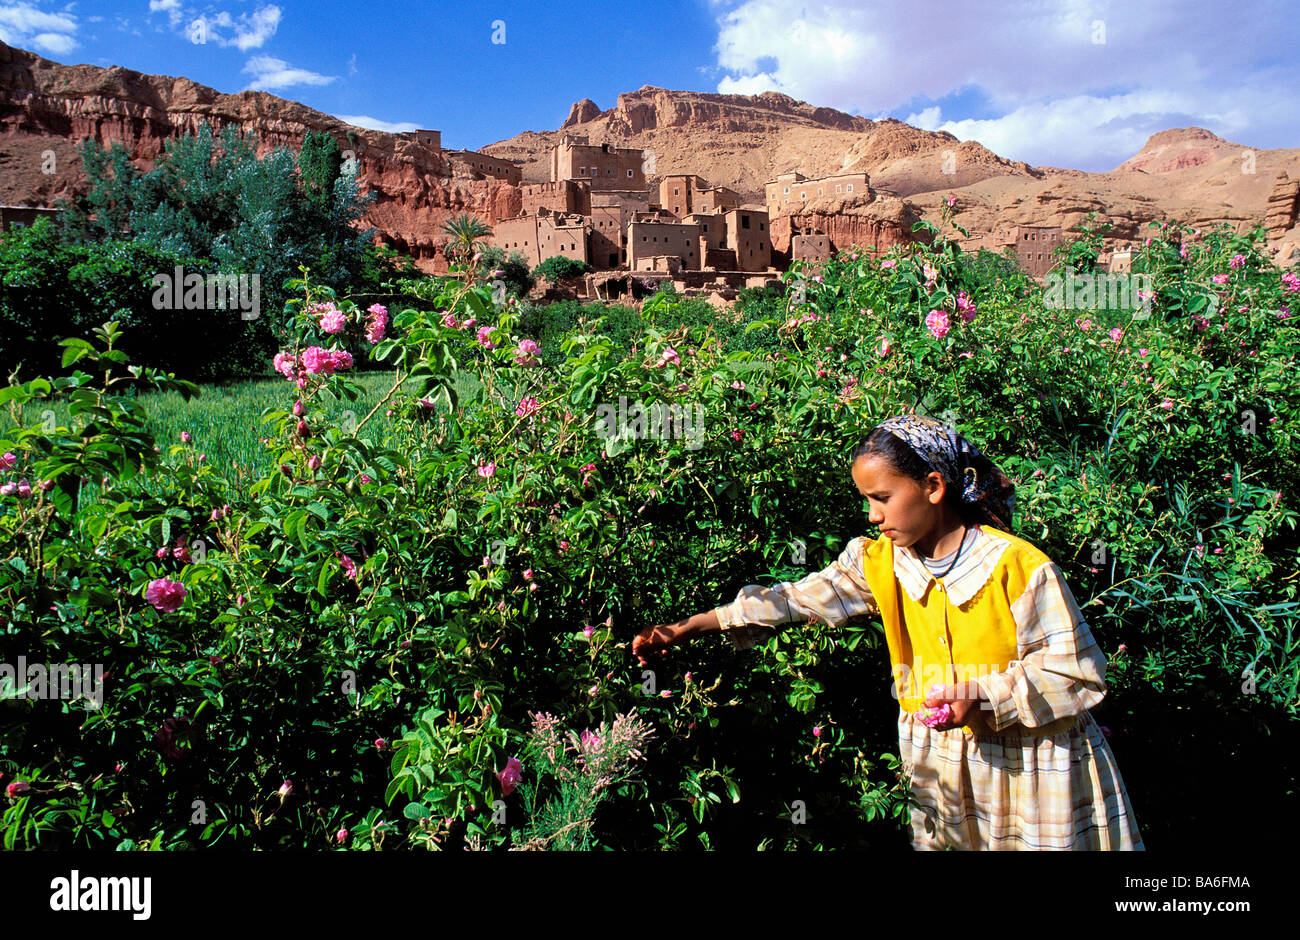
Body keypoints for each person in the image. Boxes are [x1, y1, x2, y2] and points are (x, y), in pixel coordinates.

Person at [631, 413, 1145, 850]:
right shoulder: (881, 563)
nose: (873, 515)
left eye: (881, 497)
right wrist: (692, 626)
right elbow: (796, 597)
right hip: (941, 761)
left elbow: (1074, 673)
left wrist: (985, 697)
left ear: (934, 487)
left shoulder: (1018, 566)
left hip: (1032, 763)